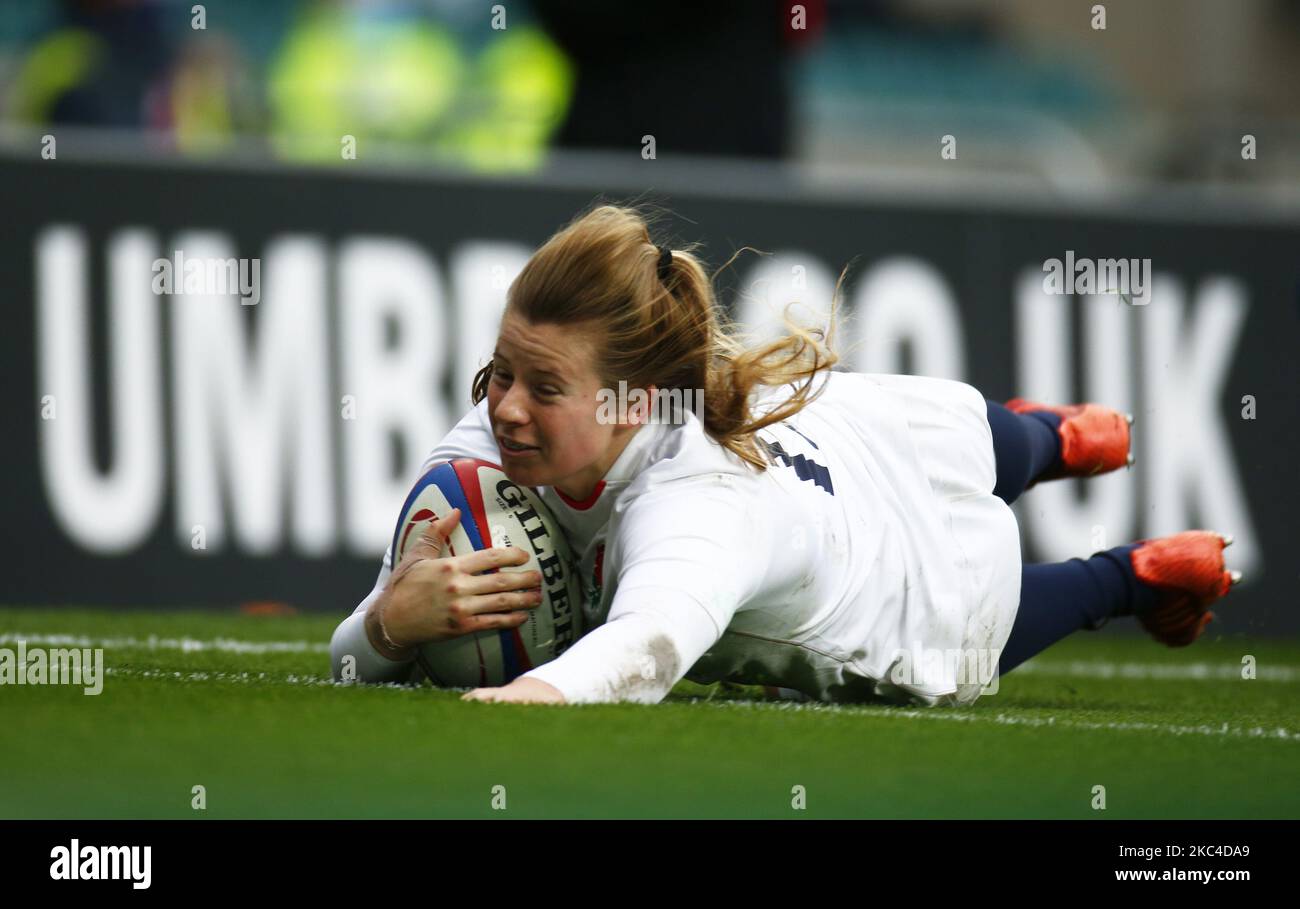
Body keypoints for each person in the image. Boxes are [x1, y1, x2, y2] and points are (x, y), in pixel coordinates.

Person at [328, 204, 1240, 705]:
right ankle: (1074, 458)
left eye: (543, 387)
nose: (505, 408)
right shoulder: (502, 430)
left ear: (633, 400)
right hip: (846, 435)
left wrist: (531, 697)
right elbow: (348, 655)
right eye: (500, 371)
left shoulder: (696, 504)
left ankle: (1125, 570)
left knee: (1013, 589)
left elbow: (649, 645)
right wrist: (386, 624)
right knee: (975, 433)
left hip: (897, 582)